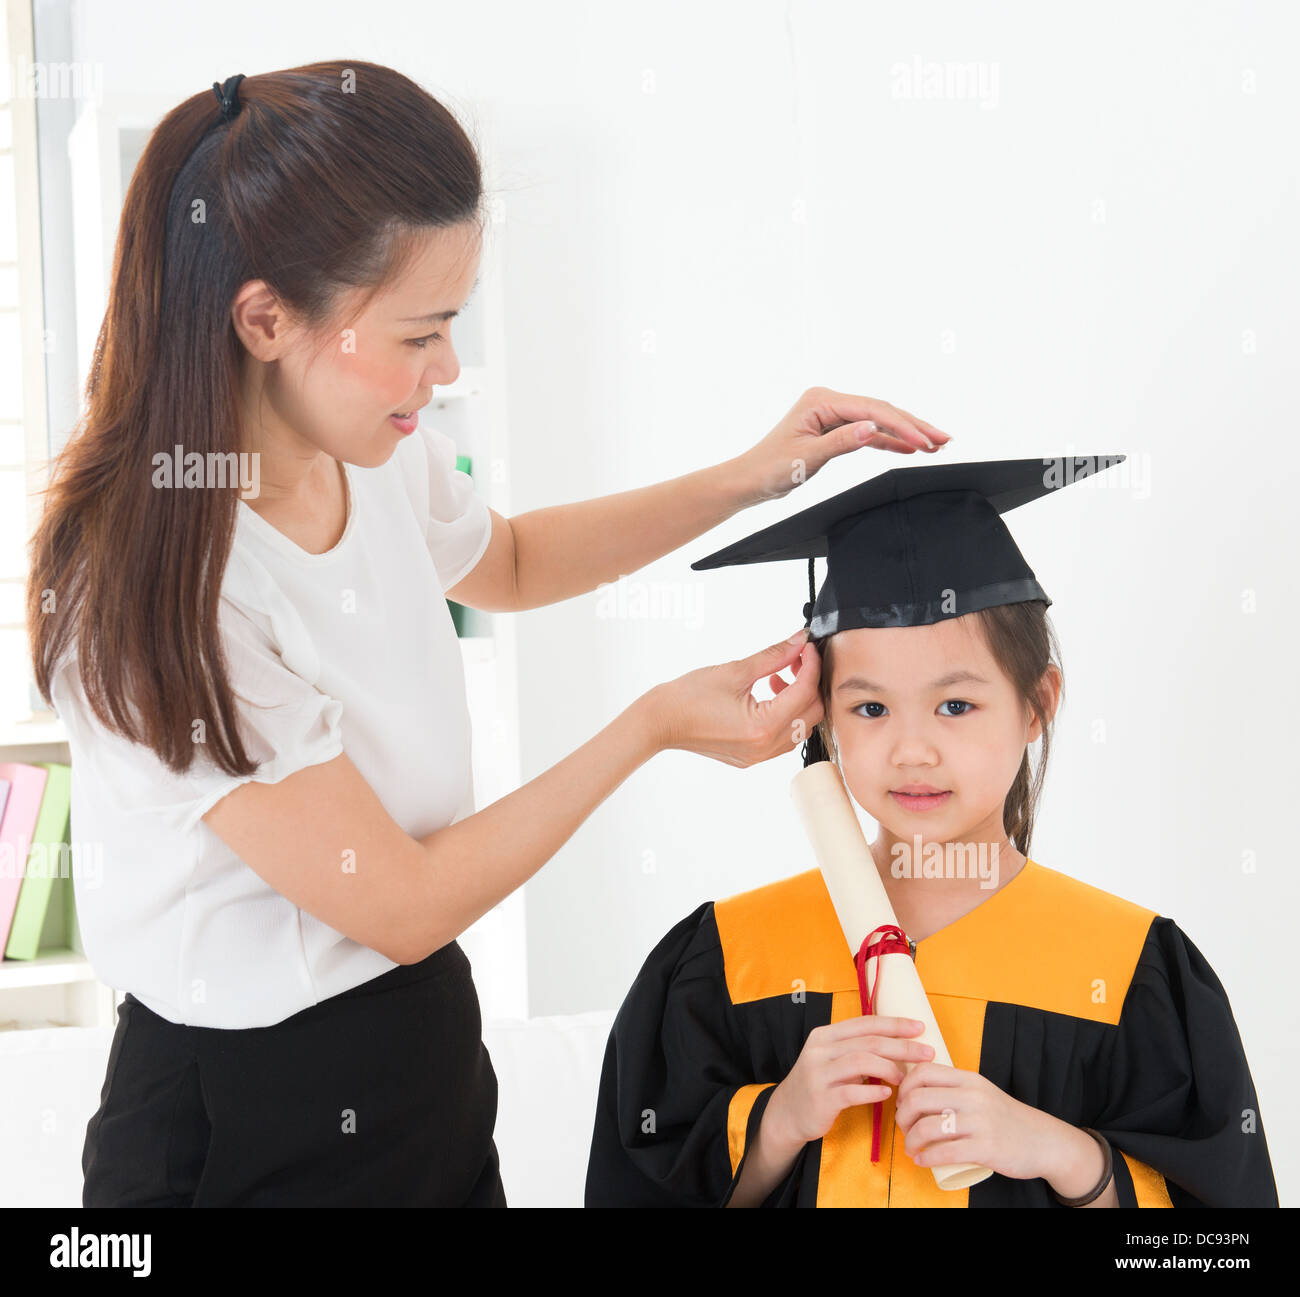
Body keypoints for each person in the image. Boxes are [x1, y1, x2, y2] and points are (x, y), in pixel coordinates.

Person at [24, 59, 948, 1207]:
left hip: (419, 1056)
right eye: (419, 332)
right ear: (265, 319)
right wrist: (650, 725)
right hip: (237, 1119)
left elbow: (503, 559)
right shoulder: (165, 591)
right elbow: (401, 901)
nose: (445, 369)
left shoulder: (370, 446)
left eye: (452, 324)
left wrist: (750, 477)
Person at [585, 454, 1279, 1207]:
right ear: (823, 717)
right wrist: (777, 1120)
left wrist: (1061, 1152)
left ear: (1038, 701)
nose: (912, 750)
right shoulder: (728, 957)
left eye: (955, 706)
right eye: (871, 708)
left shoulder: (1129, 970)